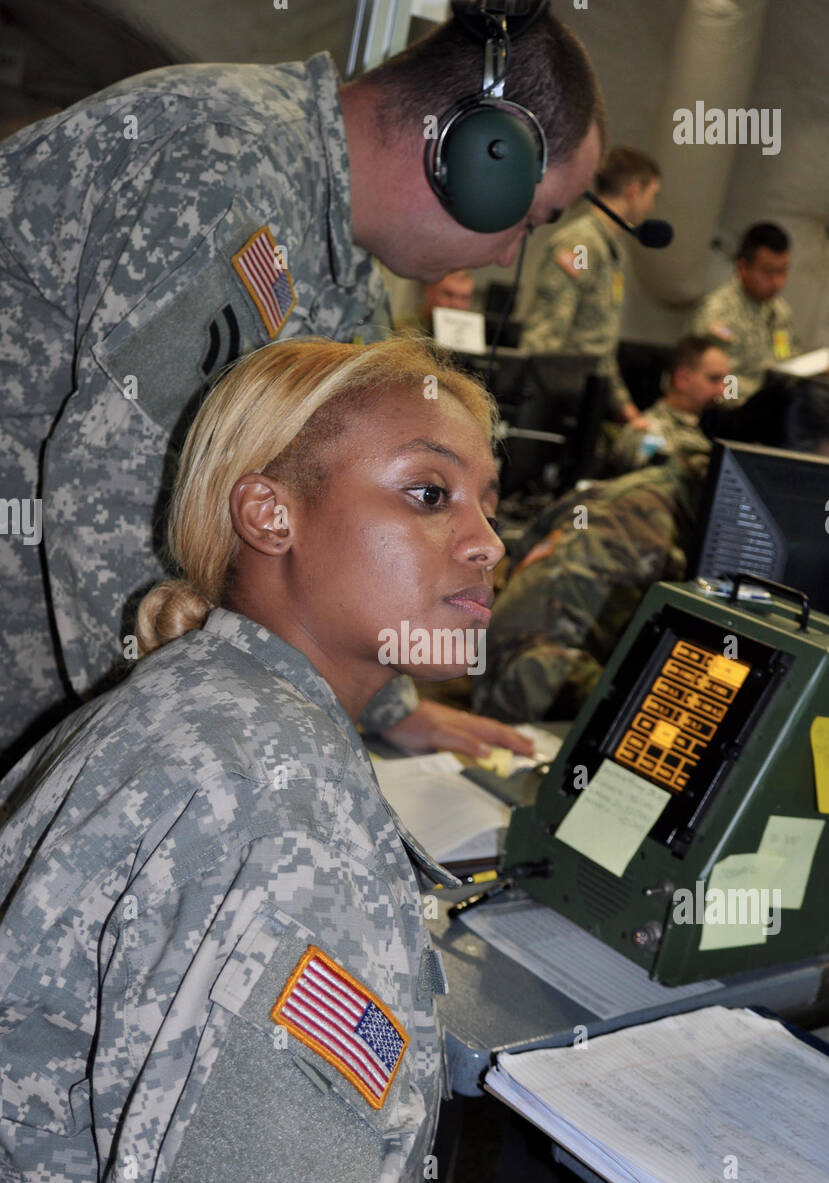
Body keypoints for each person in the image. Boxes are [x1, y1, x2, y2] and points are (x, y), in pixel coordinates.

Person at [4, 337, 829, 1183]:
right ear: (267, 514)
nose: (488, 540)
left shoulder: (215, 699)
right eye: (427, 494)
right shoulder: (278, 814)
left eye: (486, 501)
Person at [0, 4, 605, 775]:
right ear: (486, 161)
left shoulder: (333, 249)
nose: (510, 252)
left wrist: (388, 711)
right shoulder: (221, 163)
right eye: (532, 219)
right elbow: (117, 488)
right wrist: (172, 771)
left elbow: (326, 521)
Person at [472, 453, 709, 724]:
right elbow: (526, 668)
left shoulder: (675, 503)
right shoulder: (633, 519)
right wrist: (661, 714)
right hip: (513, 700)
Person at [519, 146, 661, 427]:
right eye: (652, 196)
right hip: (556, 397)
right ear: (633, 191)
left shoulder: (609, 247)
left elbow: (599, 342)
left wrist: (625, 408)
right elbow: (549, 330)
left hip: (584, 392)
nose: (652, 206)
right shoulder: (582, 244)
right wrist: (532, 408)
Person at [690, 223, 802, 403]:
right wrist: (744, 405)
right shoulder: (719, 312)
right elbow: (714, 379)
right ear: (743, 268)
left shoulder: (779, 311)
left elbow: (787, 358)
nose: (777, 282)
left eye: (783, 271)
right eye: (768, 272)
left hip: (771, 405)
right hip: (730, 410)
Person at [611, 335, 729, 473]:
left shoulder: (708, 429)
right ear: (683, 378)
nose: (722, 389)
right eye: (714, 379)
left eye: (725, 381)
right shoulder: (649, 432)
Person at [396, 269, 476, 336]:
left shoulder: (475, 338)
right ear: (429, 291)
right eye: (448, 294)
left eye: (464, 298)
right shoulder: (402, 330)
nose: (456, 304)